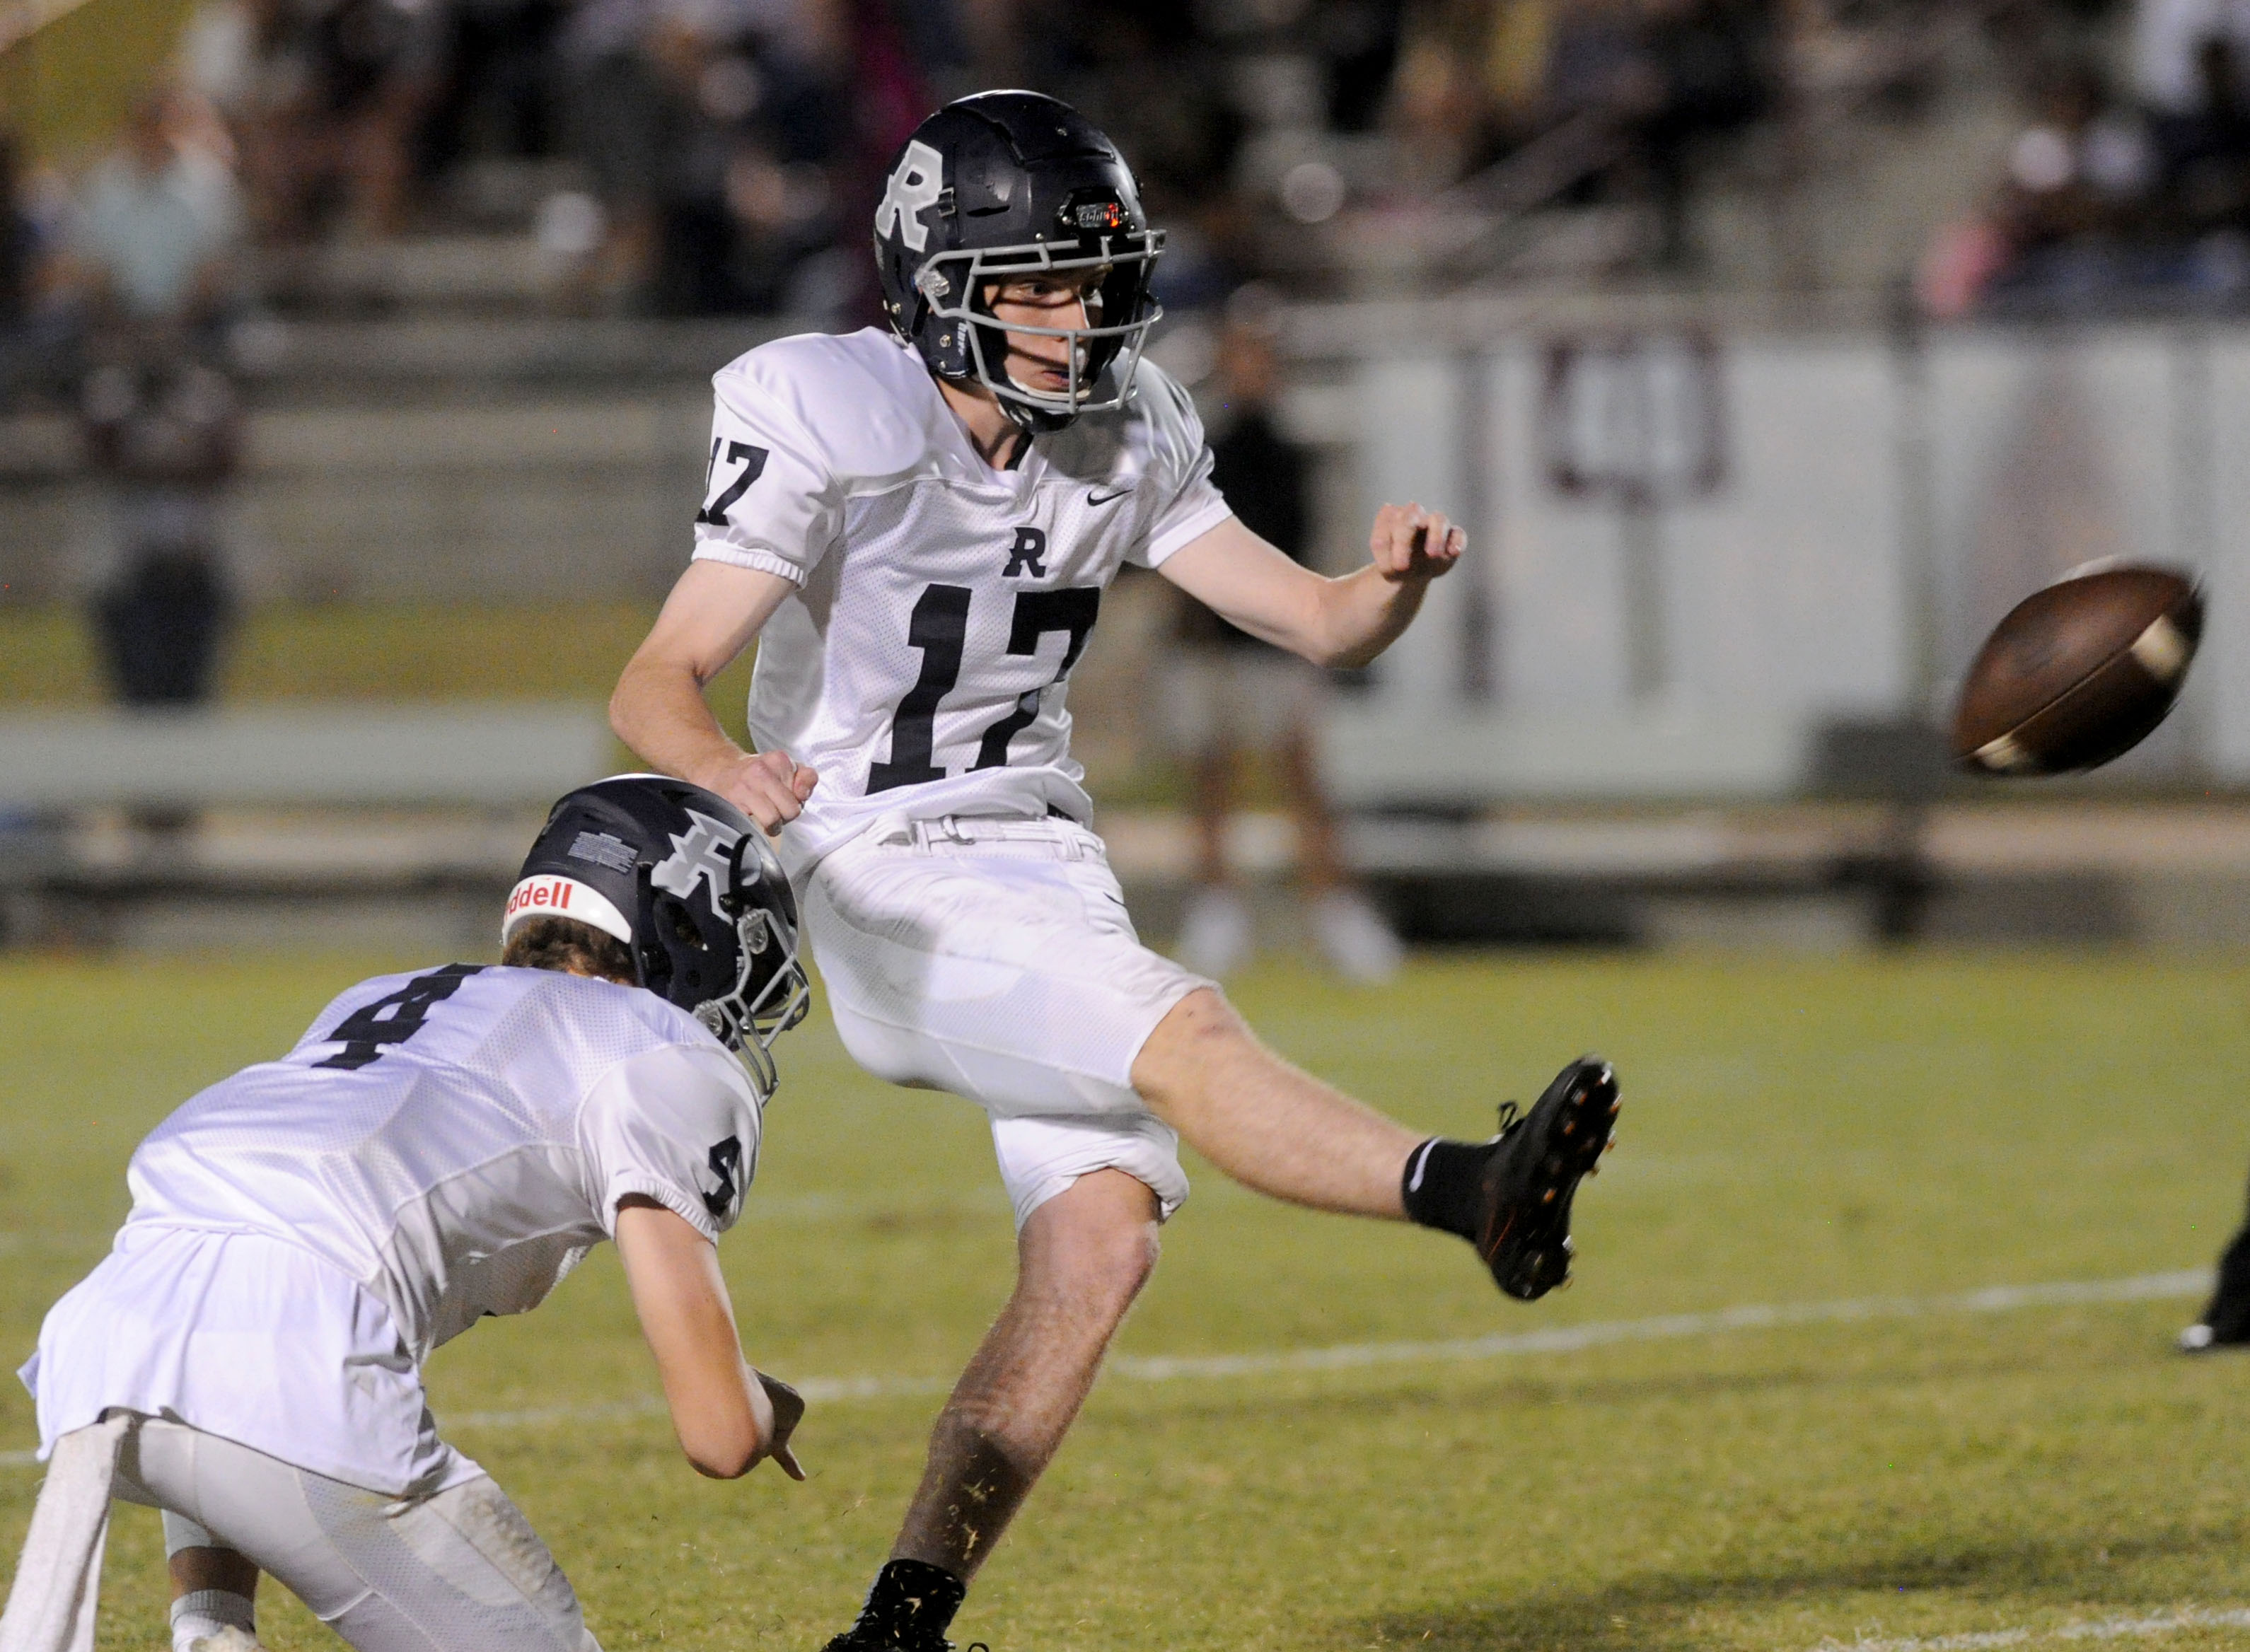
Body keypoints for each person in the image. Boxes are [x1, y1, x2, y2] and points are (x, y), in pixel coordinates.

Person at [608, 91, 1623, 1652]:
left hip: (1039, 856)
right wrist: (728, 770)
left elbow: (1314, 621)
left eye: (1093, 279)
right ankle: (1466, 1187)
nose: (1080, 314)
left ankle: (901, 1625)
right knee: (1190, 1033)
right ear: (937, 280)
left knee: (1100, 1245)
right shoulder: (829, 406)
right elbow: (656, 678)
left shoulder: (1132, 421)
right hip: (881, 859)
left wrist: (1391, 586)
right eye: (1038, 283)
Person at [0, 774, 813, 1652]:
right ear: (686, 926)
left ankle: (211, 1636)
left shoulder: (381, 998)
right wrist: (758, 1405)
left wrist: (215, 1616)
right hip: (281, 1372)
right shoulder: (652, 1049)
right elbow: (720, 1436)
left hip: (100, 1345)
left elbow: (234, 1277)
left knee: (259, 1308)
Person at [1166, 286, 1403, 984]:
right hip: (1207, 647)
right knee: (1211, 778)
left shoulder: (1290, 453)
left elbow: (1301, 553)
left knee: (1302, 778)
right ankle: (1216, 911)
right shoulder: (1198, 448)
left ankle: (1335, 910)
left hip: (1271, 644)